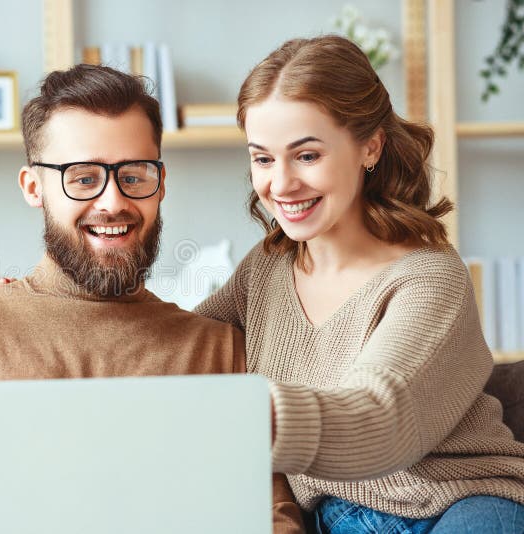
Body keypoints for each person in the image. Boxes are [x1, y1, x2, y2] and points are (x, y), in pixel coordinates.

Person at [0, 64, 304, 533]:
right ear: (35, 187)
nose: (112, 201)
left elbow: (273, 516)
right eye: (83, 177)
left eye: (133, 175)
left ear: (161, 183)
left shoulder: (220, 349)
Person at [194, 35, 524, 532]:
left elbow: (382, 417)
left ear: (370, 146)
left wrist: (249, 415)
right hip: (340, 521)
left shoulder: (429, 277)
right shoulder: (263, 271)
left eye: (306, 156)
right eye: (263, 159)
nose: (280, 185)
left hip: (463, 503)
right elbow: (182, 343)